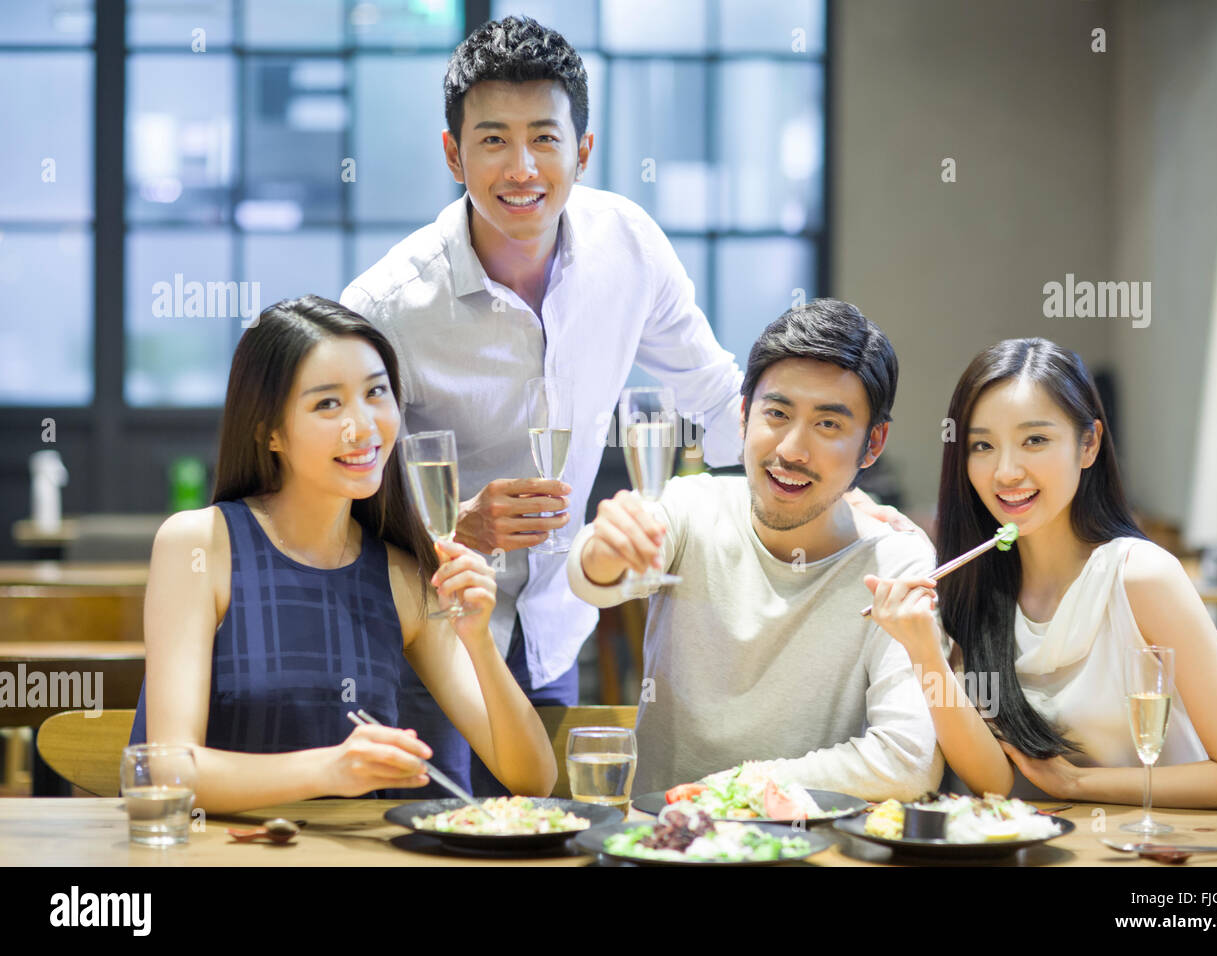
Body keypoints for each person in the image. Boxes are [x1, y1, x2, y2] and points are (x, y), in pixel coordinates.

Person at [340, 16, 911, 797]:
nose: (521, 167)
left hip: (553, 626)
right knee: (435, 840)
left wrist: (844, 493)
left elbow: (720, 402)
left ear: (584, 149)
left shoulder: (628, 247)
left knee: (542, 832)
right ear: (453, 153)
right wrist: (450, 522)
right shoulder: (388, 304)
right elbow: (336, 490)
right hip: (427, 633)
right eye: (493, 140)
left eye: (544, 137)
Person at [128, 296, 556, 815]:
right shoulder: (198, 546)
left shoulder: (402, 575)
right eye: (328, 404)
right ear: (270, 432)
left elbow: (534, 778)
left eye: (376, 392)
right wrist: (331, 769)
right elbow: (166, 770)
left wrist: (480, 641)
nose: (364, 426)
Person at [863, 338, 1217, 809]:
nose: (1006, 471)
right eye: (982, 445)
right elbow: (994, 780)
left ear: (1089, 444)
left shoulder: (1142, 578)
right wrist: (923, 654)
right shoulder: (971, 588)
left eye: (1035, 440)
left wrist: (1076, 784)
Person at [566, 299, 943, 799]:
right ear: (743, 416)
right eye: (777, 413)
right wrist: (604, 548)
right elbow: (592, 578)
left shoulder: (895, 562)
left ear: (872, 444)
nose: (791, 449)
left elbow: (908, 760)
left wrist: (743, 787)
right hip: (666, 844)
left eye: (828, 424)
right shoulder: (692, 506)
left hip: (814, 849)